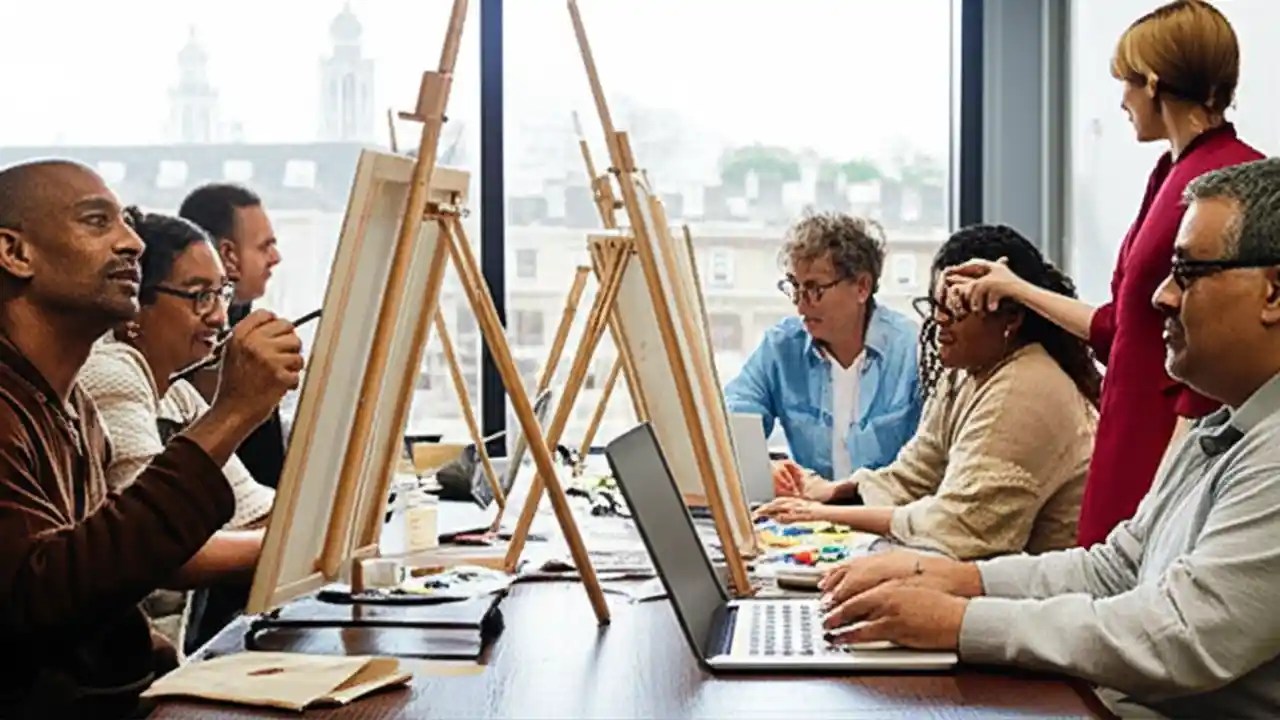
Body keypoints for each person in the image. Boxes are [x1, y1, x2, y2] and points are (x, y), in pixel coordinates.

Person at [818, 158, 1280, 718]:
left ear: (1273, 292)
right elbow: (1112, 569)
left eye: (1186, 272)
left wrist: (960, 619)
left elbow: (1179, 634)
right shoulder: (1223, 427)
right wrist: (955, 579)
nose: (1162, 296)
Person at [944, 0, 1264, 547]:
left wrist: (1171, 482)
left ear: (1155, 83)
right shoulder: (1170, 174)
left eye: (1127, 83)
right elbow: (1122, 329)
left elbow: (1217, 356)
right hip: (1134, 427)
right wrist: (1015, 286)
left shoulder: (1227, 180)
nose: (1122, 100)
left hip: (1169, 441)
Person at [0, 159, 302, 717]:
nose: (132, 243)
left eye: (127, 224)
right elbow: (41, 598)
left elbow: (101, 581)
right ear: (16, 253)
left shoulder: (74, 407)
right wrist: (230, 413)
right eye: (97, 222)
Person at [756, 225, 1098, 559]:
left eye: (956, 307)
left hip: (1039, 600)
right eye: (935, 304)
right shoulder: (967, 373)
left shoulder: (1027, 386)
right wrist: (834, 494)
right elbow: (916, 474)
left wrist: (824, 515)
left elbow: (961, 528)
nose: (939, 321)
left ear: (1009, 318)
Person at [78, 210, 277, 651]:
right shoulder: (110, 371)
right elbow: (165, 551)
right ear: (133, 306)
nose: (220, 318)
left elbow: (257, 510)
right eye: (198, 296)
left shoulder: (177, 394)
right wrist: (289, 546)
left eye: (220, 294)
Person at [723, 211, 921, 490]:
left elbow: (930, 468)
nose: (801, 306)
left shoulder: (913, 351)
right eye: (795, 287)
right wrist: (762, 464)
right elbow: (732, 420)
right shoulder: (781, 347)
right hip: (812, 521)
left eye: (815, 289)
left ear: (862, 287)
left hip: (886, 518)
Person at [178, 183, 285, 490]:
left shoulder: (243, 320)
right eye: (265, 246)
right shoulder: (201, 346)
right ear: (228, 255)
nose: (275, 257)